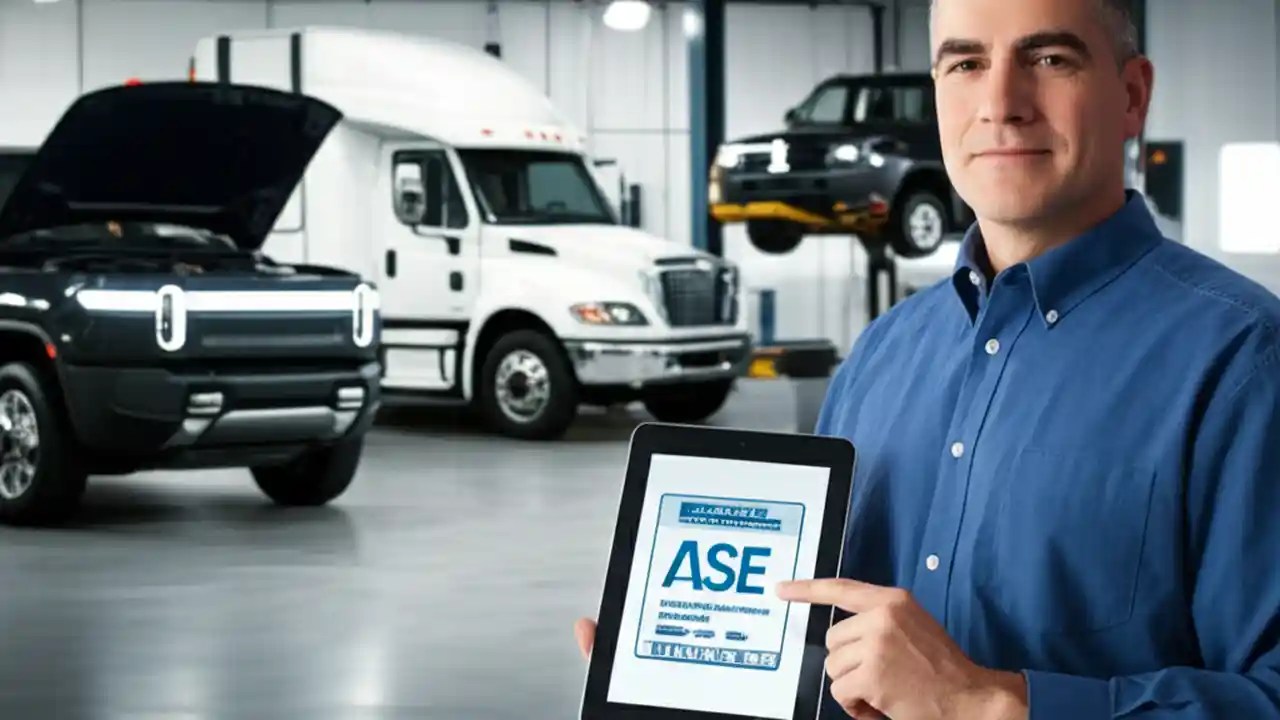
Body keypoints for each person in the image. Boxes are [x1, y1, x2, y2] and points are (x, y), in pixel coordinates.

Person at [576, 0, 1280, 717]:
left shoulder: (1243, 361)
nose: (1001, 104)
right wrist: (698, 674)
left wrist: (992, 705)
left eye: (1049, 60)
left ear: (1132, 96)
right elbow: (836, 659)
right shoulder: (880, 357)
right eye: (967, 63)